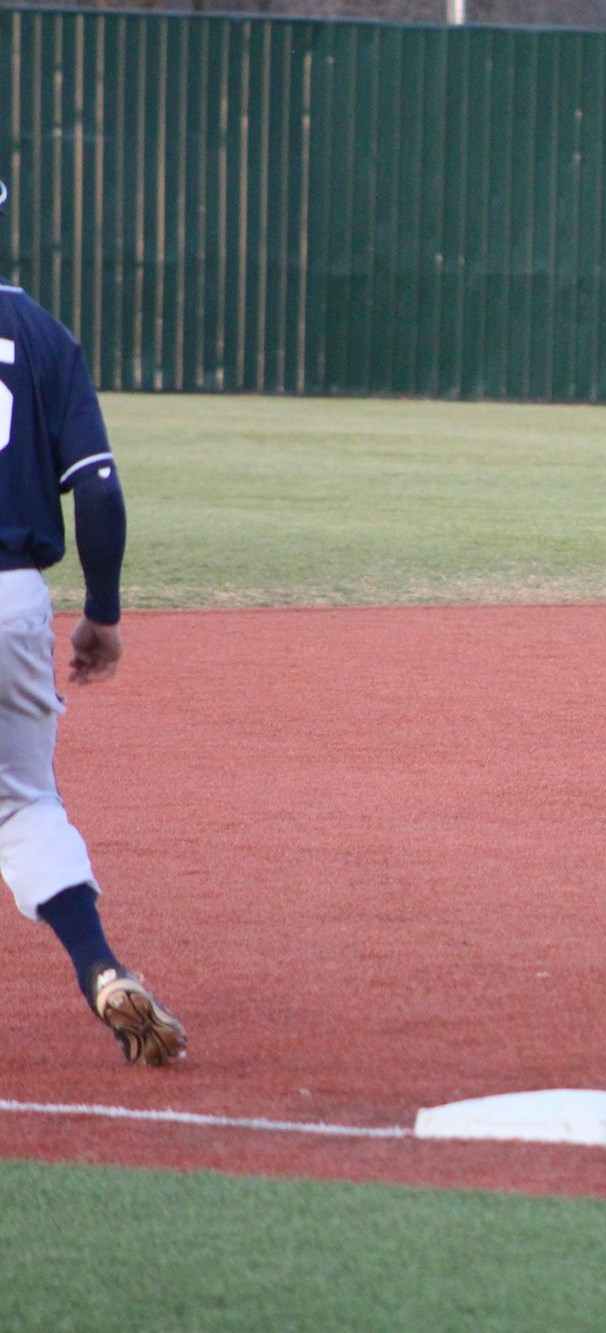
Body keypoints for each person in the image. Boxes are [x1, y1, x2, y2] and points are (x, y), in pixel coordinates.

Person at [0, 179, 186, 1065]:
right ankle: (101, 967)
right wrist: (101, 613)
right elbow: (99, 490)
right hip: (12, 601)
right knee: (24, 802)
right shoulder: (38, 330)